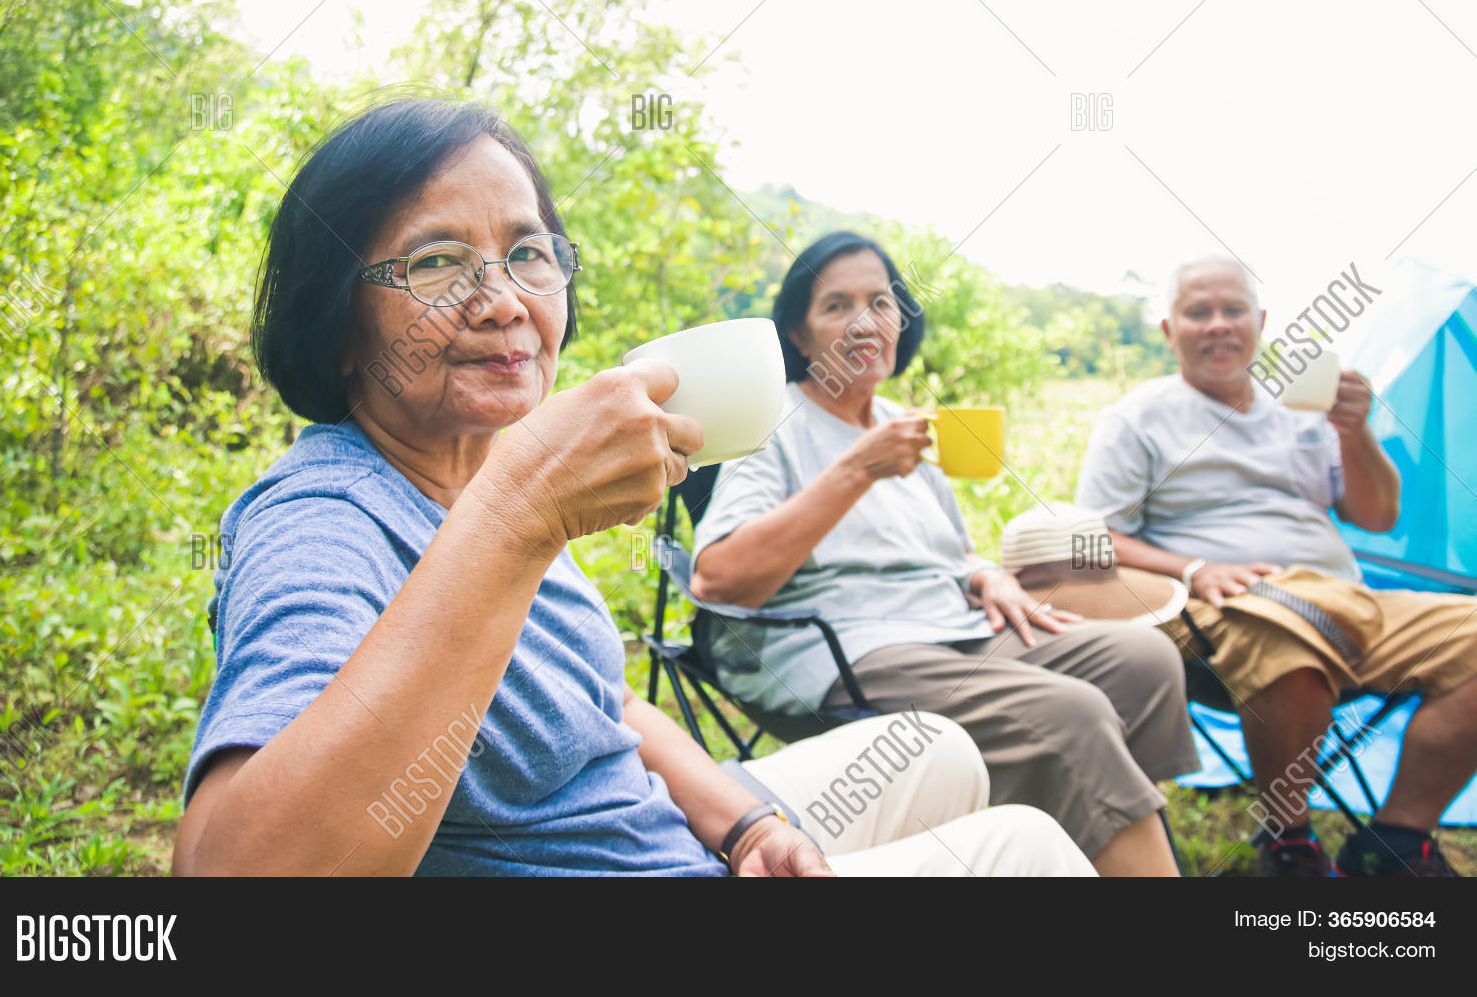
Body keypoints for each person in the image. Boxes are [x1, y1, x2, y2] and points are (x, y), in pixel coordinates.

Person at [171, 99, 1093, 877]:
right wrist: (520, 513)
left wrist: (744, 825)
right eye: (436, 261)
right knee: (1026, 848)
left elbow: (601, 699)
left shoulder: (476, 471)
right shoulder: (325, 520)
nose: (503, 302)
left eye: (529, 253)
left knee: (937, 748)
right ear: (338, 327)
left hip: (671, 835)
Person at [690, 231, 1200, 876]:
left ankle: (1097, 833)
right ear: (799, 335)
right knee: (1070, 714)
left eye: (880, 302)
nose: (864, 321)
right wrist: (857, 470)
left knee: (1144, 659)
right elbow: (718, 579)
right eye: (836, 305)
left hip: (950, 625)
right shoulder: (777, 424)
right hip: (849, 646)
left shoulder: (899, 423)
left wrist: (987, 574)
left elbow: (951, 549)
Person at [1076, 255, 1477, 877]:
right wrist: (1194, 569)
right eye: (1197, 311)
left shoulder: (1303, 405)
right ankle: (1288, 838)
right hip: (1227, 605)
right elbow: (1095, 538)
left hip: (1344, 598)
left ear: (1259, 322)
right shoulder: (1138, 417)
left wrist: (1355, 430)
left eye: (1233, 309)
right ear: (1167, 329)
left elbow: (1378, 516)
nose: (1218, 325)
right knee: (1289, 632)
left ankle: (1399, 838)